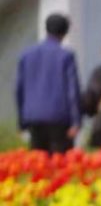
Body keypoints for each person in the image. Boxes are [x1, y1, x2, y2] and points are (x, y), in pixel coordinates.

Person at [15, 13, 82, 154]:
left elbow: (19, 89)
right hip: (59, 118)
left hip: (33, 117)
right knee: (59, 165)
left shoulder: (26, 55)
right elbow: (72, 91)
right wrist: (76, 121)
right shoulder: (66, 56)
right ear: (65, 32)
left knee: (39, 164)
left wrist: (21, 121)